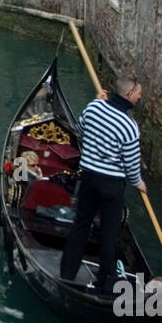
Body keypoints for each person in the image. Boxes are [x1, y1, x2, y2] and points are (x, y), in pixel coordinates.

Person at [59, 74, 146, 291]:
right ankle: (105, 283)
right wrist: (138, 183)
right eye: (138, 94)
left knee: (81, 225)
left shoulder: (94, 108)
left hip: (88, 178)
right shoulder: (129, 126)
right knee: (109, 233)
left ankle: (67, 274)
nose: (139, 97)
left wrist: (97, 102)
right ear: (128, 94)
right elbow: (131, 163)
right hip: (112, 185)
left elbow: (79, 129)